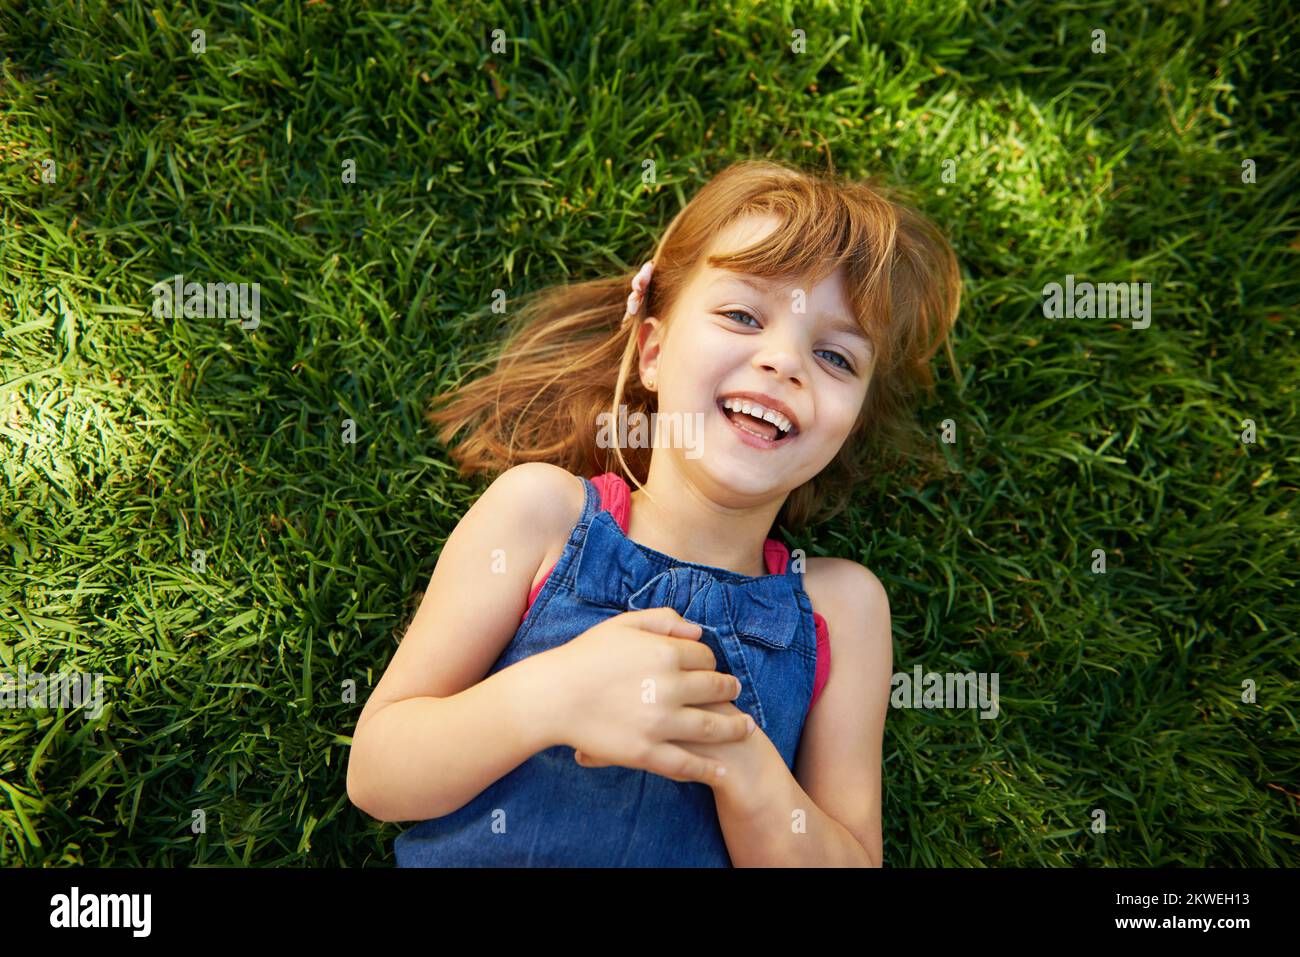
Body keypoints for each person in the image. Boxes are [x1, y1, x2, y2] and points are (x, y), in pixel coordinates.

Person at [345, 158, 962, 866]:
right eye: (741, 315)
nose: (784, 362)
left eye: (834, 355)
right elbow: (379, 771)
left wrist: (746, 767)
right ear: (654, 350)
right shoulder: (540, 513)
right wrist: (550, 697)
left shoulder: (841, 607)